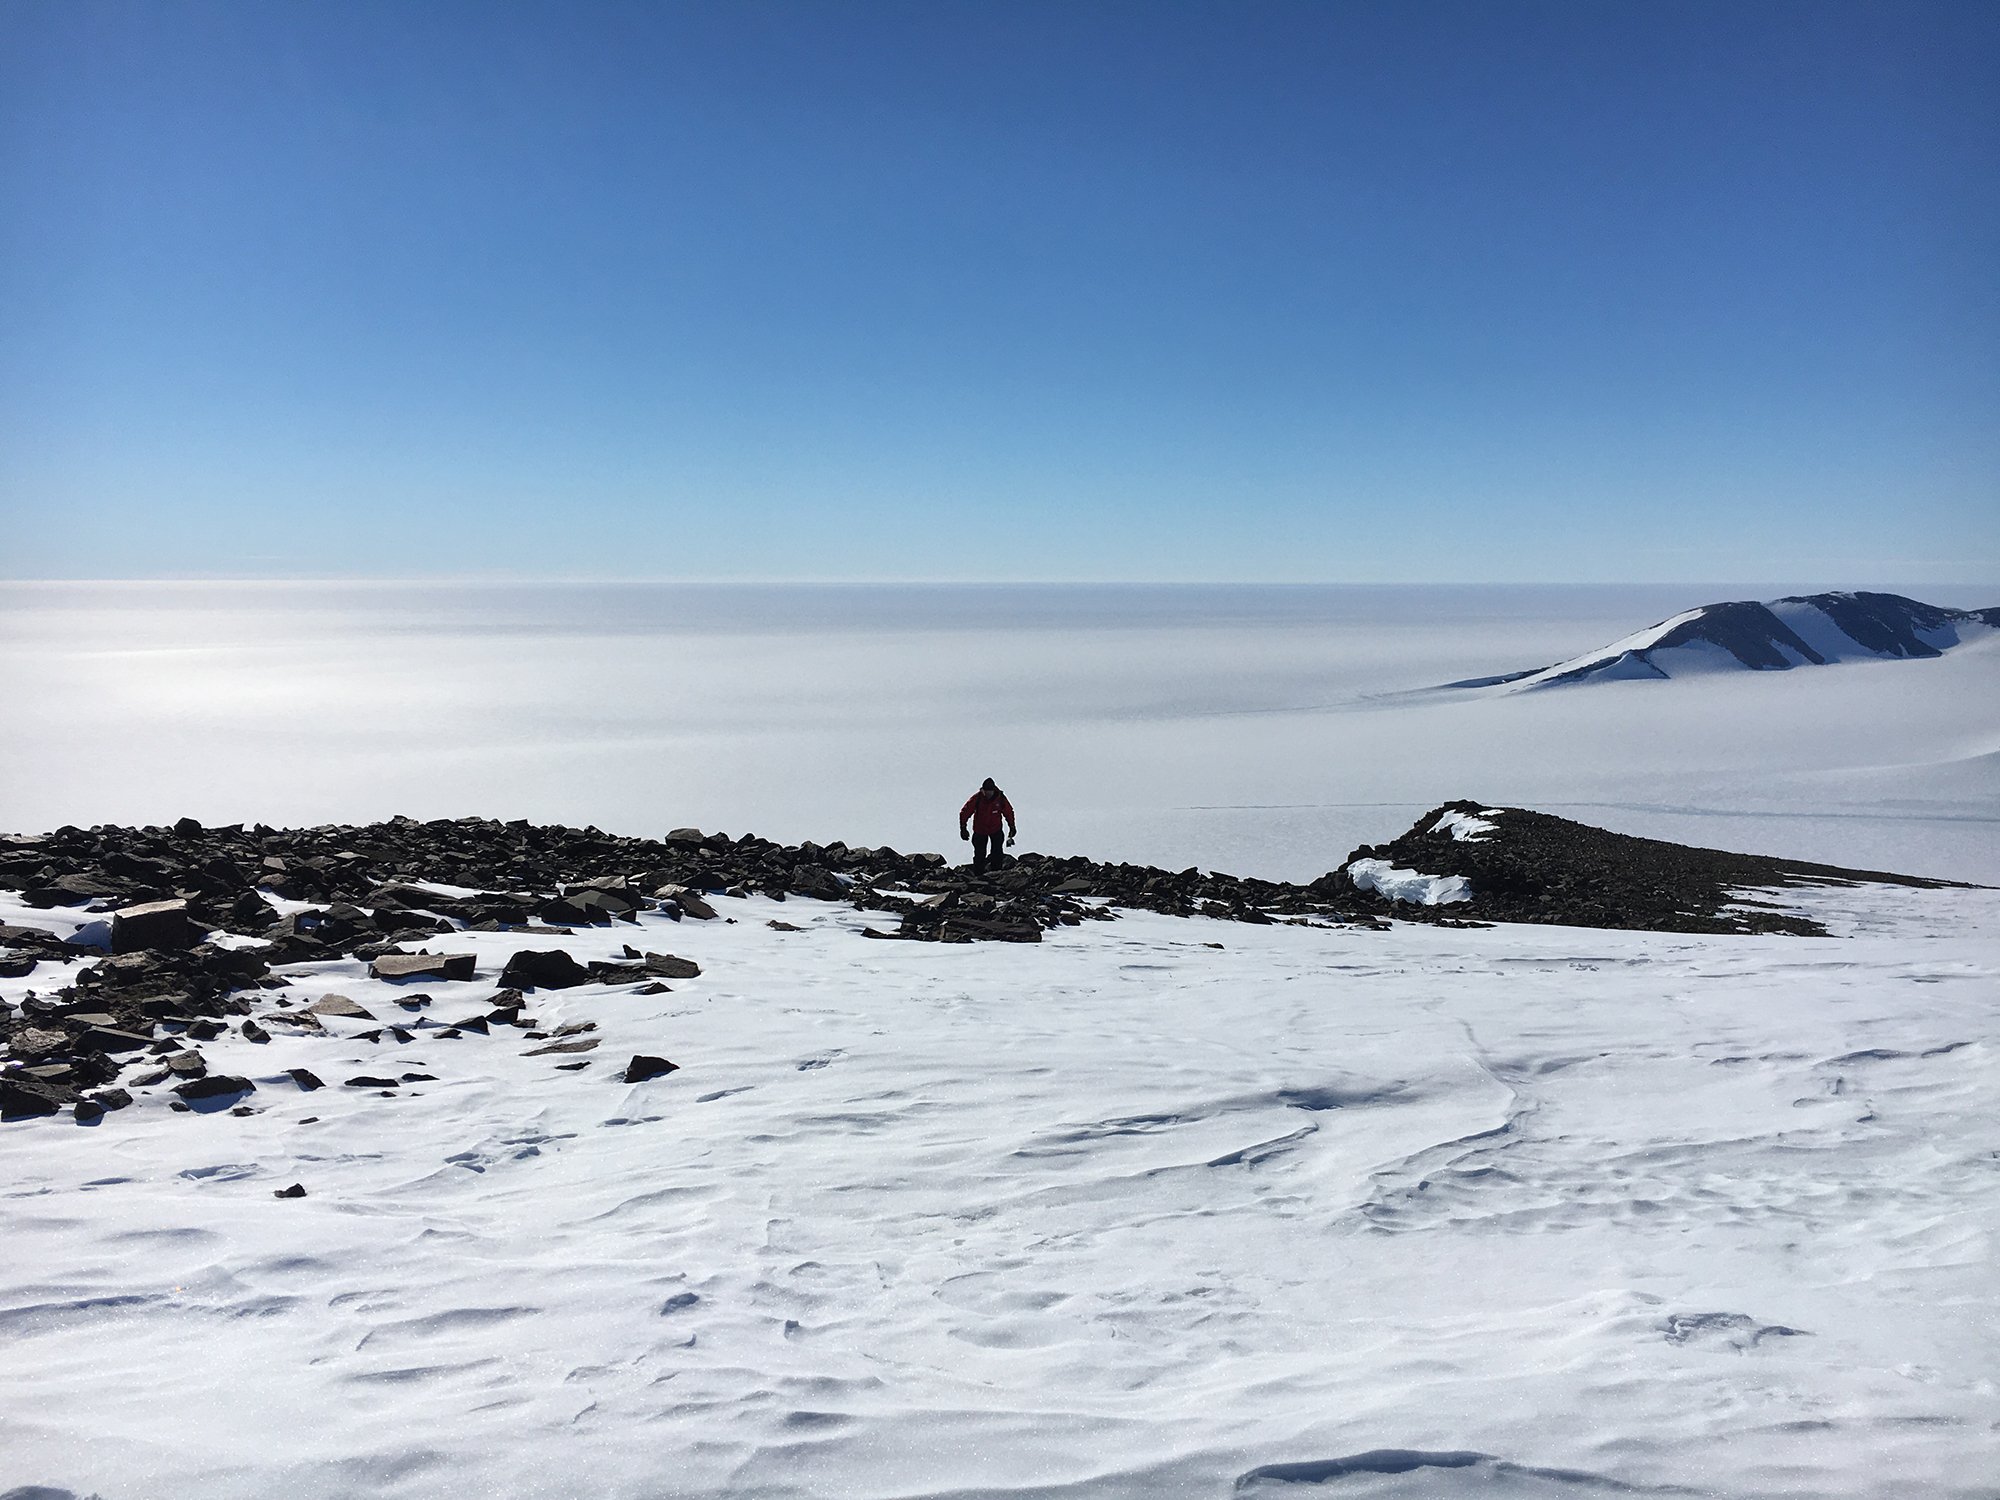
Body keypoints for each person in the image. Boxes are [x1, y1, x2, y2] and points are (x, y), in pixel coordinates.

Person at [959, 777, 1017, 874]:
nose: (988, 793)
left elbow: (1008, 812)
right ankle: (979, 875)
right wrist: (963, 827)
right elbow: (965, 811)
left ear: (993, 790)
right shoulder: (977, 798)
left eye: (990, 791)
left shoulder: (1000, 798)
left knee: (997, 853)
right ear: (983, 790)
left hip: (996, 829)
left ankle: (996, 874)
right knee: (979, 854)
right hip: (980, 830)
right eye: (986, 791)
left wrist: (1012, 826)